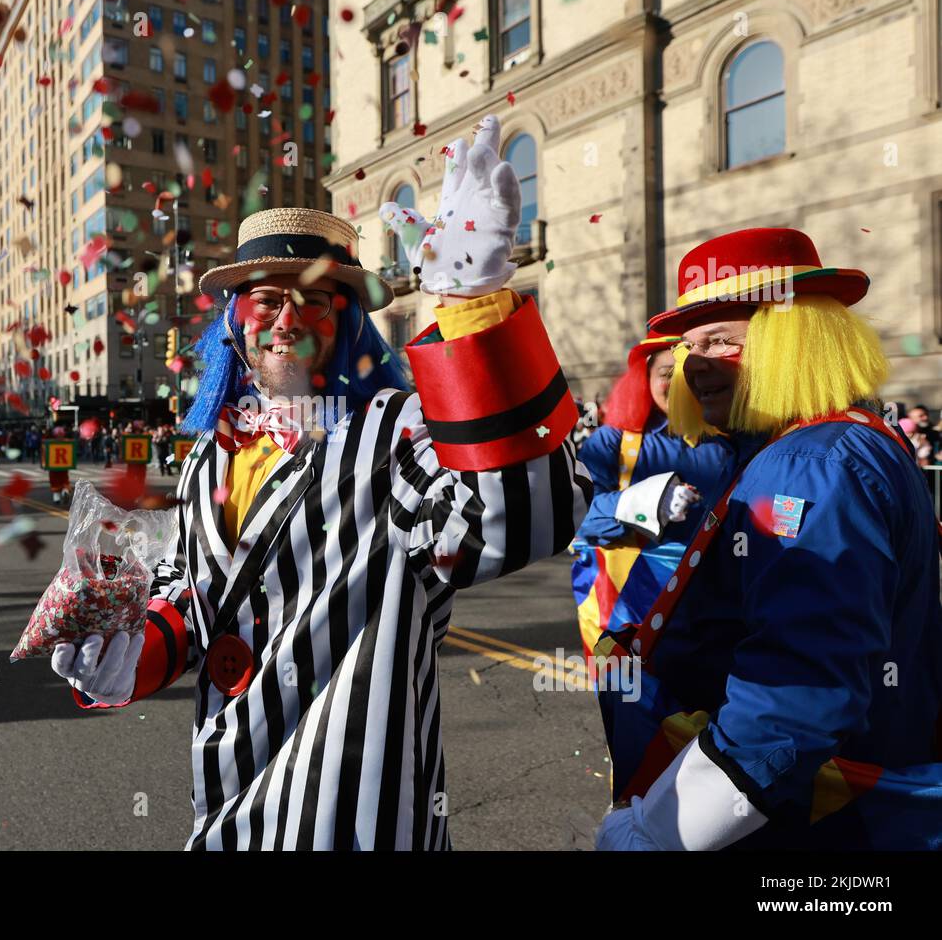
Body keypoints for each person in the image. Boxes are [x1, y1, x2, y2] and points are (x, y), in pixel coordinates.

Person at [50, 117, 591, 850]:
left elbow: (522, 518)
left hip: (355, 810)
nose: (288, 319)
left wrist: (472, 309)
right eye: (268, 299)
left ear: (344, 325)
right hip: (229, 801)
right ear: (237, 323)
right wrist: (131, 648)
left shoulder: (395, 428)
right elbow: (194, 589)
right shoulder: (214, 451)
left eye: (313, 300)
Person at [594, 227, 942, 850]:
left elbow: (796, 690)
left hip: (800, 822)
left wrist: (663, 832)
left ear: (799, 343)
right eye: (689, 345)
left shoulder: (810, 463)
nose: (695, 364)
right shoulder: (833, 442)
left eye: (724, 340)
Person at [570, 336, 733, 657]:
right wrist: (644, 503)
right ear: (645, 379)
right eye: (666, 373)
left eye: (685, 373)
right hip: (627, 614)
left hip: (711, 613)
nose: (677, 384)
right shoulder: (611, 442)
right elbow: (577, 516)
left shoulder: (726, 443)